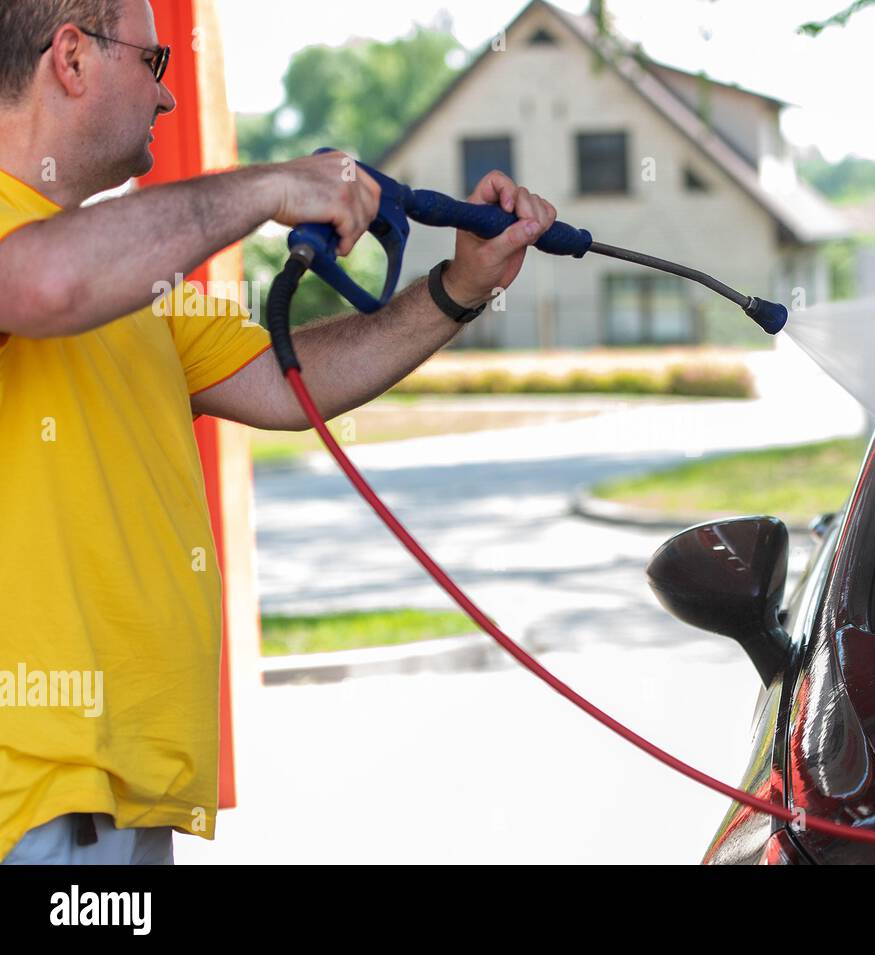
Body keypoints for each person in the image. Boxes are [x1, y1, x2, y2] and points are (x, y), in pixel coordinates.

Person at [0, 0, 557, 864]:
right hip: (29, 806)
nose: (168, 99)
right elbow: (36, 287)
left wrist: (460, 285)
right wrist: (267, 187)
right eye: (154, 66)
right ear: (71, 58)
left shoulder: (117, 272)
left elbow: (285, 381)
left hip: (115, 797)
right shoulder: (39, 258)